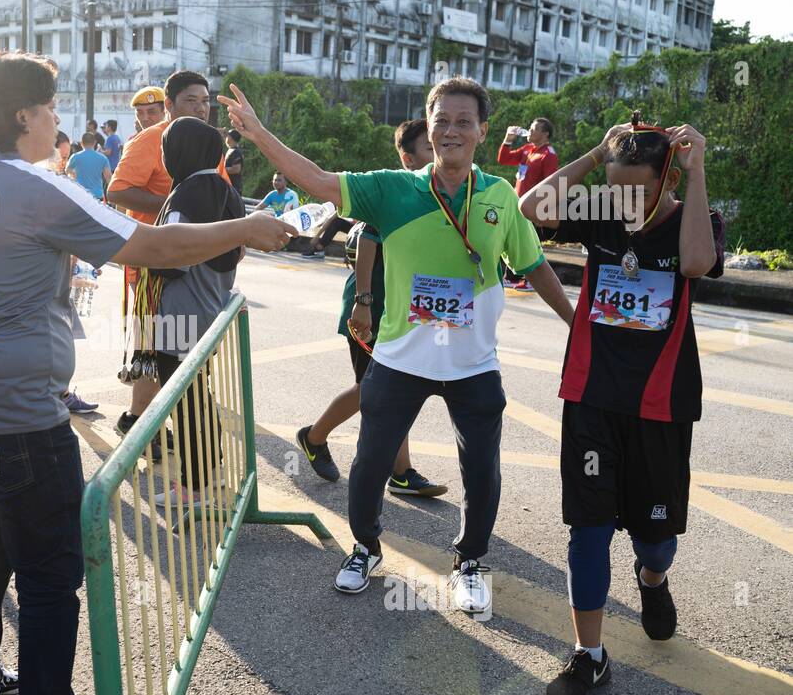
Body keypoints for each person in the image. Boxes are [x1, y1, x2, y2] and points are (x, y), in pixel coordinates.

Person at [0, 50, 293, 695]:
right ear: (26, 115)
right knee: (53, 578)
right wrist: (244, 228)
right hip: (21, 419)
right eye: (51, 108)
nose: (57, 120)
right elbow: (152, 245)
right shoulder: (32, 186)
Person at [222, 76, 576, 612]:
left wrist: (579, 329)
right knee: (369, 463)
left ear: (482, 131)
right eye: (442, 121)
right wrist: (259, 134)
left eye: (464, 121)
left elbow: (534, 266)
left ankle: (471, 561)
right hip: (399, 359)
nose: (451, 130)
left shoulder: (500, 198)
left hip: (473, 364)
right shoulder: (394, 189)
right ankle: (364, 547)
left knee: (482, 470)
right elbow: (316, 181)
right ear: (428, 129)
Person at [518, 117, 723, 695]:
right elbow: (531, 208)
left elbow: (693, 264)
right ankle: (590, 655)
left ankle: (652, 580)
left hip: (660, 403)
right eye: (619, 188)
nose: (628, 202)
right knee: (588, 527)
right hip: (591, 395)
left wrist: (698, 169)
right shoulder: (602, 214)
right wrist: (592, 154)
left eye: (641, 190)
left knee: (655, 538)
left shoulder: (696, 220)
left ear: (669, 180)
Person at [295, 119, 447, 505]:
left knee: (398, 387)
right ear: (407, 156)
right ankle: (314, 436)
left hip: (400, 310)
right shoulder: (395, 193)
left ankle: (402, 473)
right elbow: (366, 245)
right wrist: (364, 303)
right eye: (429, 148)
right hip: (371, 309)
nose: (439, 152)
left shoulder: (433, 196)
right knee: (374, 389)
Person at [107, 71, 231, 455]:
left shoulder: (210, 144)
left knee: (172, 352)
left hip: (199, 267)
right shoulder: (149, 141)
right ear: (171, 105)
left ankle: (143, 419)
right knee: (165, 351)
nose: (201, 107)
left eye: (206, 101)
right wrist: (175, 207)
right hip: (154, 269)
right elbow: (117, 191)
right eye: (192, 101)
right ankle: (148, 422)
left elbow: (219, 193)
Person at [144, 116, 249, 506]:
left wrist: (145, 257)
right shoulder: (226, 188)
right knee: (198, 396)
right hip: (211, 305)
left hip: (180, 311)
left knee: (183, 401)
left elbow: (171, 258)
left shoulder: (186, 192)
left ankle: (191, 487)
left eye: (166, 147)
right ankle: (209, 474)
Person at [496, 118, 558, 292]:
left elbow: (550, 184)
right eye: (529, 128)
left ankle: (532, 280)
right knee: (513, 239)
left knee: (531, 243)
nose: (529, 131)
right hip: (518, 205)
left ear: (545, 134)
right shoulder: (527, 150)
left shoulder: (548, 155)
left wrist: (543, 210)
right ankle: (511, 277)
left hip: (533, 208)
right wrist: (508, 139)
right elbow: (504, 159)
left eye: (534, 129)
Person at [65, 132, 111, 200]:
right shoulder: (103, 158)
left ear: (81, 143)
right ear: (94, 143)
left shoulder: (75, 157)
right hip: (97, 195)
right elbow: (109, 178)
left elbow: (67, 170)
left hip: (80, 194)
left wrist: (74, 174)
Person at [222, 128, 244, 197]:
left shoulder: (236, 152)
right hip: (228, 186)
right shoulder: (230, 150)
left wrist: (221, 170)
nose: (225, 138)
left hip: (234, 187)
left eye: (227, 136)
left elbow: (236, 169)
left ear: (230, 138)